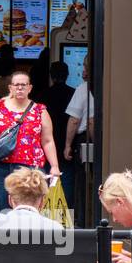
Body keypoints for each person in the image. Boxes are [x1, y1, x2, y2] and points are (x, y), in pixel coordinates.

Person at [0, 70, 61, 215]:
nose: (20, 88)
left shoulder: (39, 110)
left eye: (23, 85)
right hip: (1, 166)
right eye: (16, 85)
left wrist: (55, 166)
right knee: (1, 210)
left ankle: (26, 238)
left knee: (29, 210)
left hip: (30, 168)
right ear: (10, 88)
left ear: (30, 88)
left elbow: (48, 140)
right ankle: (3, 238)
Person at [41, 61, 77, 213]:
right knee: (67, 178)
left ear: (51, 75)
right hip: (67, 141)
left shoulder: (43, 95)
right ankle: (65, 211)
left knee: (46, 176)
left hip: (46, 142)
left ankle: (45, 209)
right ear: (67, 75)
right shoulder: (73, 93)